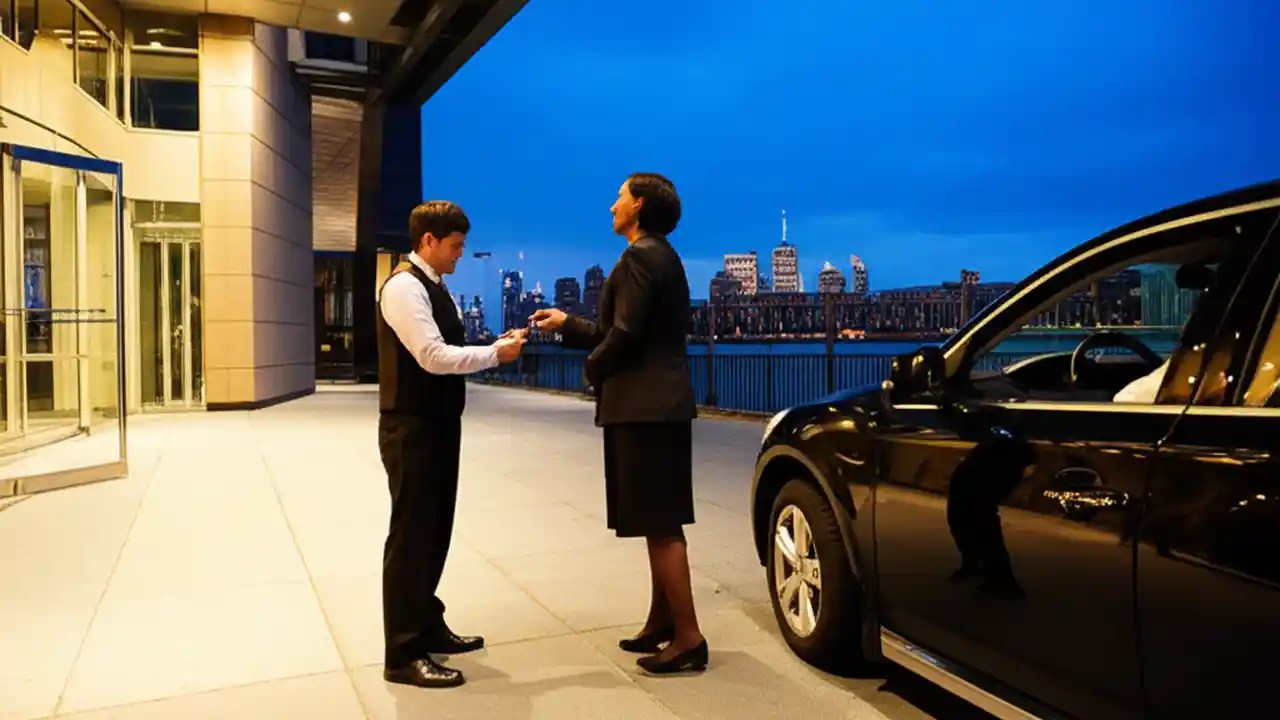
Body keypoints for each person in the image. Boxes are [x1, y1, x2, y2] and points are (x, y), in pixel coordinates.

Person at [531, 172, 707, 675]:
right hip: (661, 404)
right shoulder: (661, 256)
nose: (613, 204)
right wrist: (568, 324)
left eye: (620, 196)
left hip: (645, 408)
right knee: (658, 518)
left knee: (661, 522)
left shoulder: (638, 257)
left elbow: (624, 336)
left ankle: (689, 637)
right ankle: (662, 622)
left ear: (640, 206)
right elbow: (621, 329)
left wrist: (592, 368)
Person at [377, 200, 527, 689]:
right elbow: (431, 355)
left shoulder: (433, 285)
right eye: (456, 245)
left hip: (437, 425)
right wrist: (494, 354)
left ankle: (427, 623)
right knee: (411, 539)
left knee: (435, 531)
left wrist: (493, 345)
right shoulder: (403, 287)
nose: (461, 254)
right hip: (412, 429)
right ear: (428, 242)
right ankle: (402, 653)